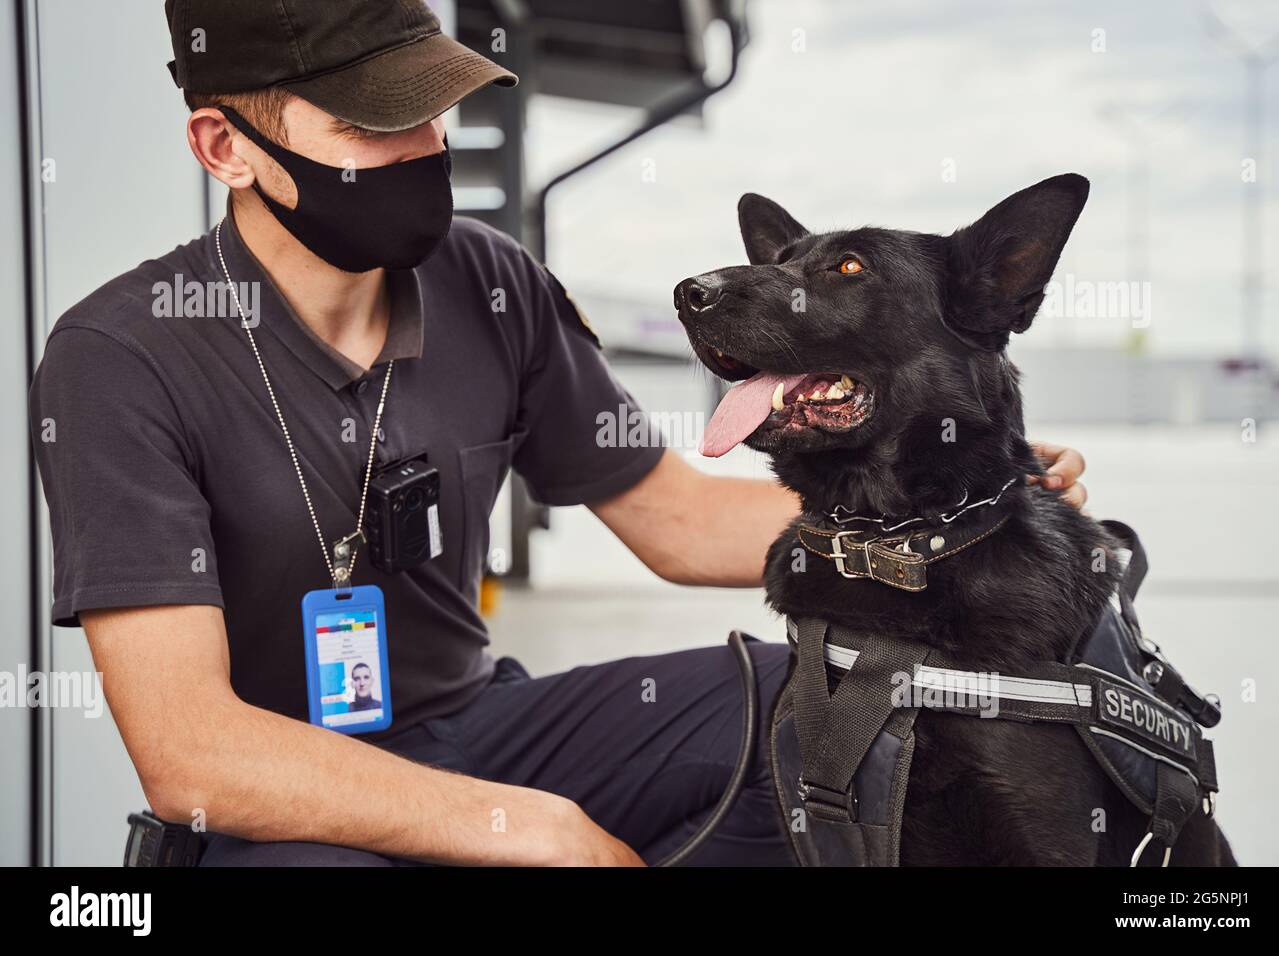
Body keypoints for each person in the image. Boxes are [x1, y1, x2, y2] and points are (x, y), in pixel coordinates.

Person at [29, 0, 1089, 866]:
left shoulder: (487, 281)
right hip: (284, 787)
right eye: (371, 123)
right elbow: (193, 754)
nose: (422, 149)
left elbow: (674, 520)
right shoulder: (120, 356)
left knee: (816, 706)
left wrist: (954, 509)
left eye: (431, 110)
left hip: (482, 727)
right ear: (226, 146)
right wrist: (529, 826)